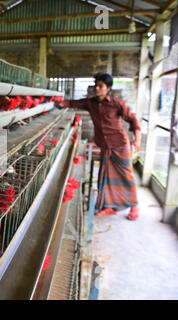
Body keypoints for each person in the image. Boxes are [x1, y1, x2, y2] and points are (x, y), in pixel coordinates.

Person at [55, 72, 141, 220]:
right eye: (96, 85)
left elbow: (134, 121)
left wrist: (137, 140)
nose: (97, 88)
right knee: (106, 177)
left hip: (120, 144)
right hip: (105, 146)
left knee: (127, 175)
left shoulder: (117, 104)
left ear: (108, 88)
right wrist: (60, 103)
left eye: (100, 86)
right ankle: (109, 207)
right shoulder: (90, 103)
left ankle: (134, 206)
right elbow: (73, 103)